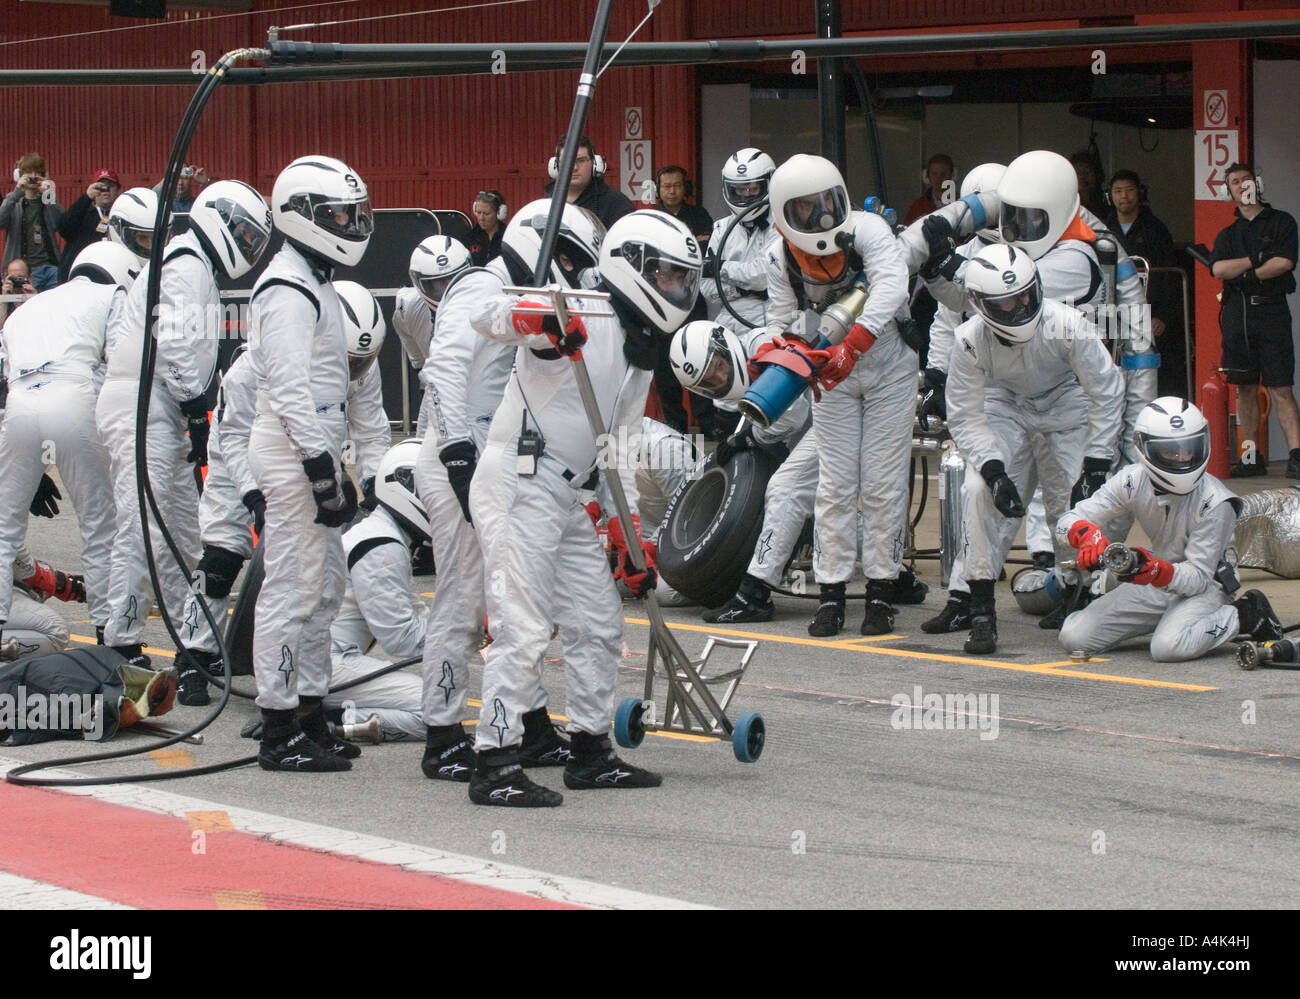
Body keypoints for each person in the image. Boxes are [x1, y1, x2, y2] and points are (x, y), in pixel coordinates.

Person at [466, 209, 700, 806]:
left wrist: (627, 539)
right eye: (668, 276)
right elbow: (486, 313)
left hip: (568, 493)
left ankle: (591, 751)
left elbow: (613, 451)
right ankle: (493, 761)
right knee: (522, 624)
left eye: (683, 280)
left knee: (598, 621)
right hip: (521, 478)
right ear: (634, 268)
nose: (676, 291)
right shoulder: (580, 308)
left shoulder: (640, 348)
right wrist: (538, 319)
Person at [415, 199, 601, 786]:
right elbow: (441, 371)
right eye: (566, 258)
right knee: (468, 600)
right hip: (457, 456)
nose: (569, 272)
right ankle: (442, 732)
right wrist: (456, 453)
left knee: (521, 601)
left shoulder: (524, 294)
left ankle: (531, 722)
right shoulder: (481, 285)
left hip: (498, 456)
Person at [174, 283, 388, 707]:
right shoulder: (254, 367)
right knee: (221, 557)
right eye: (347, 359)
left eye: (361, 361)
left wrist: (374, 488)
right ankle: (192, 655)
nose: (353, 369)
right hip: (242, 453)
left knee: (314, 575)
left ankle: (298, 674)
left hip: (312, 462)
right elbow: (232, 436)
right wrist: (253, 496)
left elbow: (372, 429)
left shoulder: (362, 367)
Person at [246, 155, 372, 772]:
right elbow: (289, 386)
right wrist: (321, 467)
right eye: (339, 216)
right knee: (293, 588)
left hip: (313, 445)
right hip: (294, 446)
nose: (351, 226)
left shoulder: (312, 278)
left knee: (325, 588)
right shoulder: (286, 287)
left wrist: (330, 461)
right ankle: (277, 727)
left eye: (353, 215)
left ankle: (310, 712)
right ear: (301, 217)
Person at [764, 153, 920, 637]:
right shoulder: (780, 254)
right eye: (806, 207)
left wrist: (854, 342)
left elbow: (893, 285)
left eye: (826, 201)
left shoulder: (868, 230)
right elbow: (779, 317)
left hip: (888, 364)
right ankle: (830, 593)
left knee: (882, 483)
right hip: (829, 372)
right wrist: (797, 352)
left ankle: (880, 592)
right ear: (786, 212)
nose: (821, 214)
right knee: (834, 484)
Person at [942, 242, 1124, 654]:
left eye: (1025, 294)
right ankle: (980, 608)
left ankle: (1080, 592)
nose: (1020, 306)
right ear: (980, 303)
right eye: (1005, 302)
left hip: (1065, 400)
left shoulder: (1068, 323)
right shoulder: (969, 340)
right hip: (1004, 402)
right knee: (977, 492)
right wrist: (993, 470)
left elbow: (1107, 389)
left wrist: (1096, 462)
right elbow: (965, 414)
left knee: (1078, 502)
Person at [1058, 397, 1284, 660]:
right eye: (1170, 451)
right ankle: (1172, 619)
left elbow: (1198, 577)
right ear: (1144, 448)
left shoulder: (1216, 502)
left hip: (1208, 585)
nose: (1182, 457)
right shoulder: (1131, 480)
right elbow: (1067, 521)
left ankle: (1245, 615)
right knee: (1074, 637)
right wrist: (1086, 535)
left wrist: (1155, 570)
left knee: (1168, 647)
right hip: (1156, 577)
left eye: (1189, 448)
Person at [0, 243, 139, 652]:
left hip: (21, 400)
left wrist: (35, 461)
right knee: (99, 526)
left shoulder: (26, 310)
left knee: (4, 529)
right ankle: (110, 636)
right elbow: (120, 366)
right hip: (74, 393)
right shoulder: (111, 297)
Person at [669, 319, 819, 623]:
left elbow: (791, 415)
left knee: (785, 489)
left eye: (719, 366)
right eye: (709, 381)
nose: (720, 378)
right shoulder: (725, 390)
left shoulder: (765, 345)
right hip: (812, 425)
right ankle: (893, 579)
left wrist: (748, 438)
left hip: (833, 413)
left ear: (724, 346)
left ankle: (754, 595)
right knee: (824, 505)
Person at [328, 440, 431, 742]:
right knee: (437, 707)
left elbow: (417, 614)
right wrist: (467, 632)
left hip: (328, 661)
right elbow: (402, 639)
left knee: (444, 690)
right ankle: (328, 721)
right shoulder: (380, 545)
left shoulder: (384, 536)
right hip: (329, 664)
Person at [1210, 162, 1300, 479]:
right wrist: (1256, 261)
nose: (1240, 185)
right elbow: (1218, 269)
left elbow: (1284, 262)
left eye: (1246, 180)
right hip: (1237, 315)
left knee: (1281, 387)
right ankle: (1250, 457)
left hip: (1271, 311)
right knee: (1244, 389)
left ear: (1256, 184)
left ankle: (1296, 455)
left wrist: (1244, 273)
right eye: (1234, 182)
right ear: (1229, 191)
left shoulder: (1281, 222)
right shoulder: (1228, 234)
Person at [1103, 169, 1184, 399]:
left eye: (1129, 190)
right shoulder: (1102, 228)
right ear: (1110, 195)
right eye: (1118, 191)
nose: (1124, 196)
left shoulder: (1155, 229)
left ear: (1139, 193)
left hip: (1149, 314)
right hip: (1111, 312)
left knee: (1149, 370)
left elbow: (1170, 278)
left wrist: (1164, 316)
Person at [391, 235, 473, 436]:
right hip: (437, 388)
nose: (447, 291)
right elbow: (407, 338)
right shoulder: (408, 307)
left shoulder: (488, 303)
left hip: (480, 387)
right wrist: (421, 365)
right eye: (437, 284)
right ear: (419, 284)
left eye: (454, 280)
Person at [1, 154, 65, 290]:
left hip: (50, 268)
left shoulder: (48, 201)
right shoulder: (13, 201)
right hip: (24, 272)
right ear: (19, 175)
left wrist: (49, 196)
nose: (33, 176)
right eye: (28, 172)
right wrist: (17, 191)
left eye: (37, 173)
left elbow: (61, 224)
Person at [543, 134, 634, 231]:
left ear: (595, 164)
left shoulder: (617, 204)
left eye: (581, 160)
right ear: (556, 166)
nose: (574, 168)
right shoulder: (545, 204)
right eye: (566, 161)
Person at [57, 169, 120, 283]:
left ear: (118, 190)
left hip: (112, 272)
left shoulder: (122, 215)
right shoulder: (82, 213)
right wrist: (86, 197)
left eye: (110, 186)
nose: (105, 190)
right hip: (80, 275)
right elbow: (62, 227)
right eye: (101, 186)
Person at [653, 166, 713, 249]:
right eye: (667, 186)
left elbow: (708, 243)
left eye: (677, 186)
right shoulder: (651, 217)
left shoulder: (700, 214)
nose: (672, 191)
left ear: (686, 188)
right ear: (657, 190)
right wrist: (693, 241)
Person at [107, 187, 159, 269]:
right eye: (143, 237)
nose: (150, 245)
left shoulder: (173, 268)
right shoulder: (106, 267)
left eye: (156, 237)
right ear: (117, 229)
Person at [904, 153, 955, 225]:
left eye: (943, 173)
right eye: (934, 173)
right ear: (928, 176)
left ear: (951, 175)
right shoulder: (918, 206)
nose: (939, 178)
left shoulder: (961, 203)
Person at [461, 190, 506, 266]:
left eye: (486, 214)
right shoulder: (467, 239)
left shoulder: (508, 238)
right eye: (478, 213)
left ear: (498, 213)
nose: (481, 218)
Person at [1070, 150, 1107, 219]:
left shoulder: (1106, 201)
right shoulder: (1068, 203)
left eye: (1087, 172)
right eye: (1078, 172)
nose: (1082, 177)